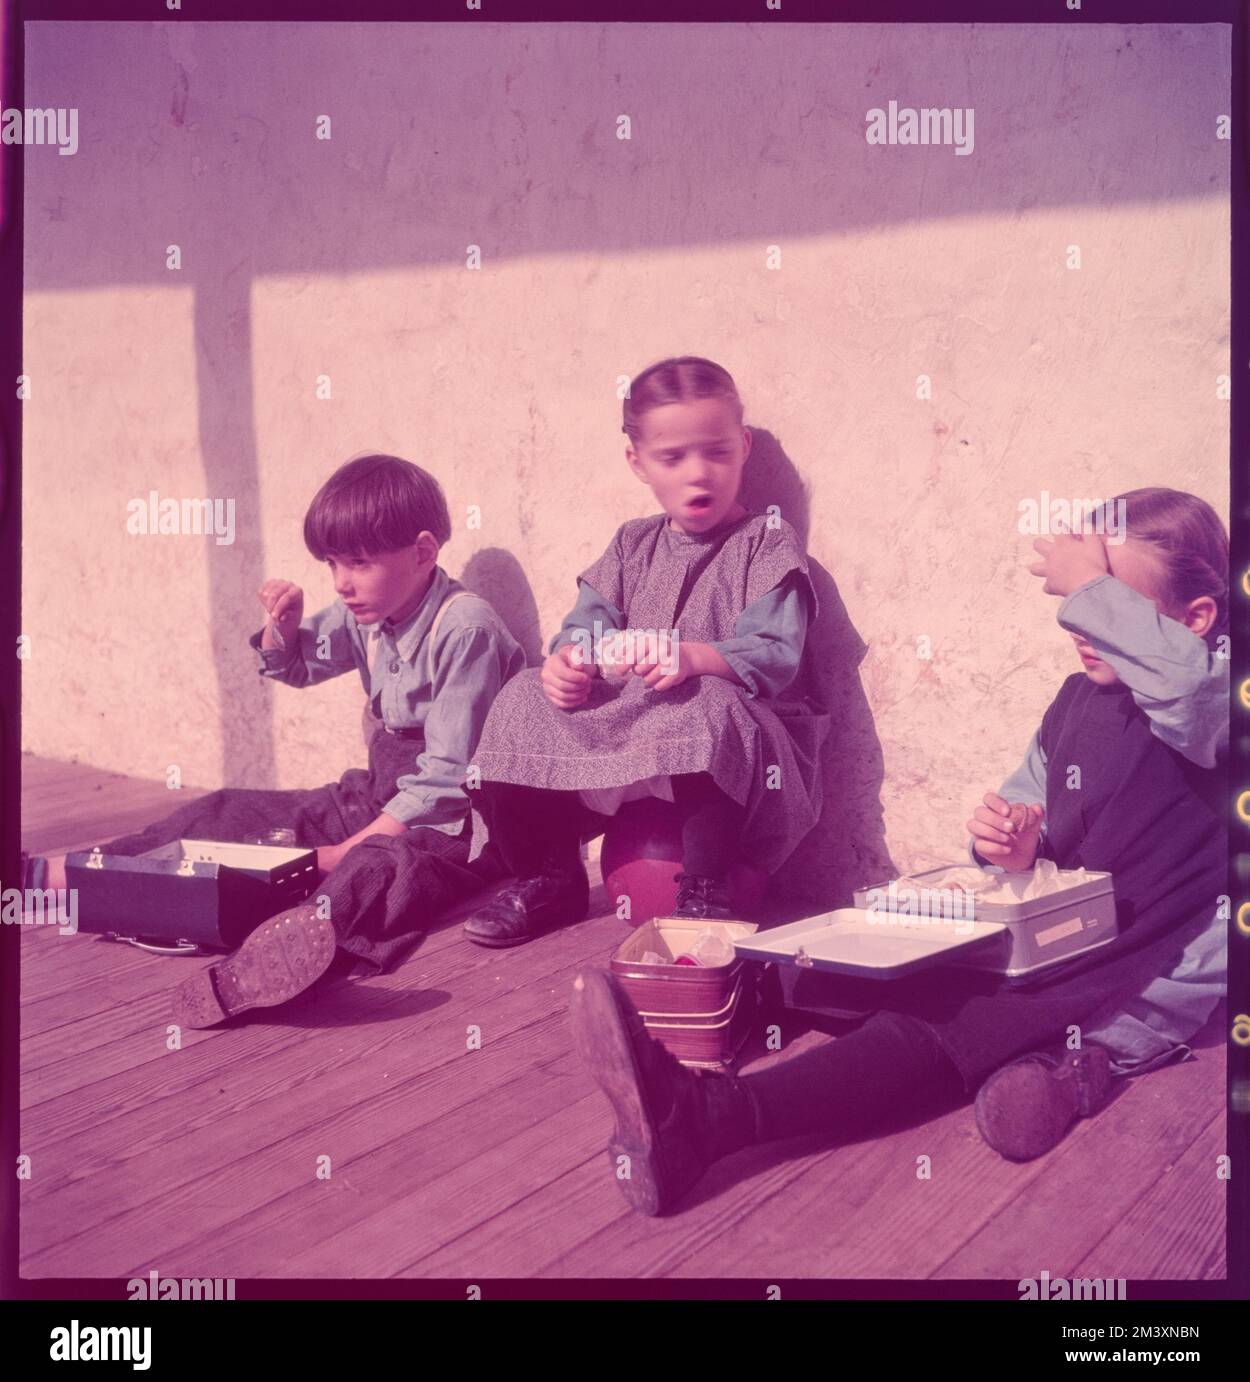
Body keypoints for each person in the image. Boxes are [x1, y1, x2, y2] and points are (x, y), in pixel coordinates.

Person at [570, 487, 1228, 1215]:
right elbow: (1030, 815)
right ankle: (707, 1009)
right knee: (866, 959)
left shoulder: (1213, 704)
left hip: (1143, 959)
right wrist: (1013, 842)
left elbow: (1192, 694)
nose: (1084, 620)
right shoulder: (1078, 700)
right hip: (1057, 931)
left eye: (1114, 605)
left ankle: (711, 1120)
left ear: (1195, 621)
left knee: (951, 1024)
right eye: (1085, 602)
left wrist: (1093, 585)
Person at [23, 454, 524, 1026]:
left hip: (459, 824)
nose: (341, 582)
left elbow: (446, 780)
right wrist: (282, 631)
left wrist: (349, 849)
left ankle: (271, 965)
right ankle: (50, 877)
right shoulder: (367, 611)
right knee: (230, 811)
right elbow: (301, 666)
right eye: (332, 563)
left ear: (423, 552)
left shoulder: (465, 628)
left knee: (378, 871)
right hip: (378, 794)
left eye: (358, 563)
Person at [462, 356, 830, 947]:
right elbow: (582, 628)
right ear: (638, 462)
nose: (698, 474)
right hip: (636, 730)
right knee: (521, 697)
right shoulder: (632, 544)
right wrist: (568, 665)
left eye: (716, 451)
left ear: (743, 446)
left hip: (741, 753)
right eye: (673, 457)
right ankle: (549, 877)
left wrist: (696, 657)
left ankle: (706, 895)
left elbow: (775, 654)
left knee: (706, 701)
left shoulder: (766, 542)